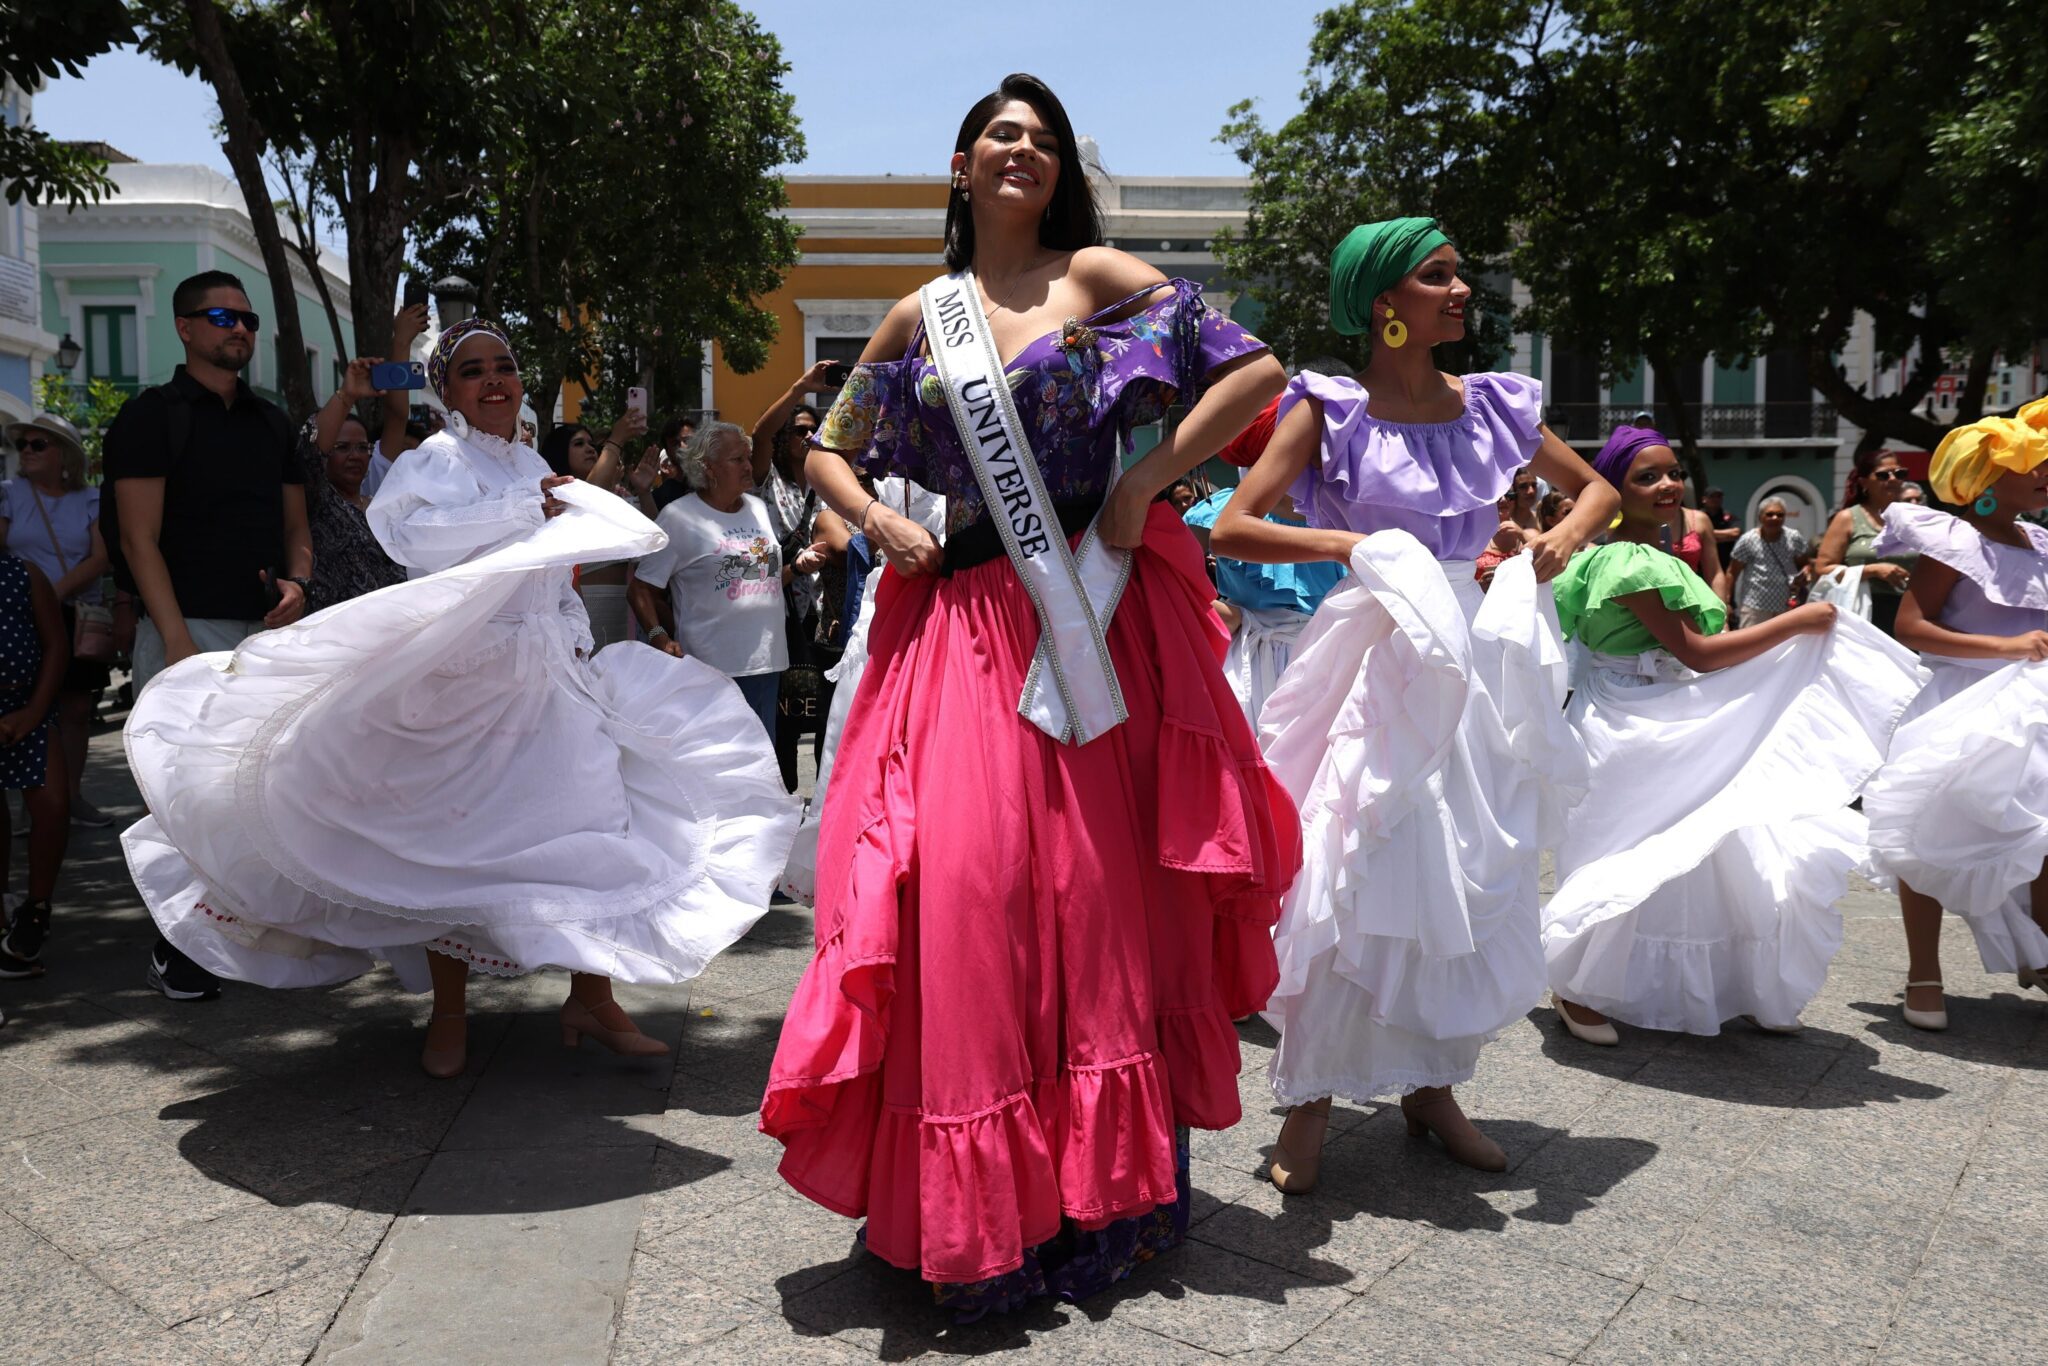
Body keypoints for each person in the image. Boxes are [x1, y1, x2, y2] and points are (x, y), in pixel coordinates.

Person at [760, 73, 1298, 1313]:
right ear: (961, 165)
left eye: (1043, 141)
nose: (1023, 152)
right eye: (1001, 136)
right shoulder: (922, 311)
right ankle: (970, 1206)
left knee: (1090, 899)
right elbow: (826, 440)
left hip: (1087, 618)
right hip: (958, 623)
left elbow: (1252, 372)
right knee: (967, 898)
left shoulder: (1096, 278)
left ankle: (1093, 1193)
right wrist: (872, 512)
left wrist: (1142, 480)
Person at [119, 318, 796, 1074]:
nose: (494, 379)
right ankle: (450, 1013)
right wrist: (521, 513)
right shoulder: (436, 459)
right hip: (464, 681)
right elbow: (411, 537)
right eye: (473, 370)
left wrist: (574, 634)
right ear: (448, 390)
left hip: (547, 678)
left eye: (504, 364)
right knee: (456, 840)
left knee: (591, 824)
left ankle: (593, 995)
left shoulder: (532, 460)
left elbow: (554, 571)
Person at [1211, 216, 1615, 1188]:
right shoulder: (1328, 408)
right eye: (1438, 275)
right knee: (1346, 864)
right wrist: (1349, 547)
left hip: (1475, 658)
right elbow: (1232, 526)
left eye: (1457, 272)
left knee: (1466, 873)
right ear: (1384, 300)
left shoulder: (1495, 408)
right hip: (1370, 653)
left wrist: (1550, 545)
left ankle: (1430, 1086)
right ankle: (1303, 1102)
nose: (1460, 290)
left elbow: (1595, 490)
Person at [1542, 429, 1923, 1044]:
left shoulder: (1637, 557)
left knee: (1712, 849)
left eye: (1671, 473)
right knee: (1618, 850)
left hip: (1657, 711)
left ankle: (1730, 983)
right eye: (1647, 477)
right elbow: (1698, 654)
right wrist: (1798, 622)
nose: (1667, 485)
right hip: (1630, 720)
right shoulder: (1625, 560)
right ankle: (1576, 983)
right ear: (1614, 491)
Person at [100, 269, 312, 1003]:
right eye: (223, 316)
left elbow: (296, 529)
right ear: (185, 327)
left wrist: (300, 583)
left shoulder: (271, 422)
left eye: (248, 320)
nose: (240, 330)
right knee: (183, 796)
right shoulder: (150, 417)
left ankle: (237, 932)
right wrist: (175, 642)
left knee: (260, 790)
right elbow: (137, 538)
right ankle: (176, 945)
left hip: (265, 631)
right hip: (185, 626)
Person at [1863, 403, 2048, 1031]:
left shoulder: (2041, 543)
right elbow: (1912, 626)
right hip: (1960, 705)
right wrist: (2007, 649)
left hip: (2032, 708)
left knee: (2039, 831)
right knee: (1927, 832)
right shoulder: (1953, 541)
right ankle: (1924, 972)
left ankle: (2039, 949)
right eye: (2032, 465)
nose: (2045, 472)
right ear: (1990, 481)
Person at [1182, 401, 1344, 727]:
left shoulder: (1343, 514)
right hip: (1243, 665)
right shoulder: (1214, 514)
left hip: (1325, 663)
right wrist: (1230, 615)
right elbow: (1177, 589)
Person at [629, 423, 790, 738]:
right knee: (718, 769)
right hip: (711, 669)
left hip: (767, 662)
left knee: (761, 765)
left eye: (748, 458)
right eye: (737, 460)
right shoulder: (680, 517)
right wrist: (659, 636)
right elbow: (640, 588)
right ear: (708, 468)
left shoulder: (758, 508)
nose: (748, 467)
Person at [1, 413, 113, 827]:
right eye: (22, 445)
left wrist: (52, 595)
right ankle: (36, 803)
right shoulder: (9, 494)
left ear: (63, 454)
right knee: (26, 705)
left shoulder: (90, 499)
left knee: (75, 710)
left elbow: (101, 557)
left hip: (75, 614)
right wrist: (34, 599)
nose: (26, 451)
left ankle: (71, 797)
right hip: (19, 618)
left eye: (37, 444)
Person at [0, 551, 70, 979]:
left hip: (30, 707)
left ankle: (36, 908)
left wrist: (33, 711)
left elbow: (56, 644)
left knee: (53, 805)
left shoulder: (22, 573)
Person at [539, 414, 657, 649]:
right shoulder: (557, 500)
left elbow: (656, 541)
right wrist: (616, 439)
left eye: (592, 444)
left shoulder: (616, 500)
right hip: (581, 608)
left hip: (620, 611)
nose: (590, 449)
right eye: (579, 444)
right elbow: (588, 495)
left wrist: (644, 492)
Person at [300, 363, 405, 611]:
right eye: (343, 448)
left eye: (362, 448)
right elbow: (308, 450)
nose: (355, 456)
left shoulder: (383, 508)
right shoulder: (317, 502)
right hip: (335, 632)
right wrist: (346, 396)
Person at [1814, 448, 1917, 635]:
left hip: (1912, 613)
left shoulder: (1916, 518)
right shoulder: (1848, 518)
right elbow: (1823, 568)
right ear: (1863, 483)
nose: (1893, 479)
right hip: (1865, 612)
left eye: (1899, 473)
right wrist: (1872, 571)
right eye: (1883, 475)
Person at [1726, 497, 1812, 626]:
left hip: (1786, 607)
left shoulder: (1794, 538)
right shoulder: (1748, 540)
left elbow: (1804, 564)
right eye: (1770, 514)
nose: (1775, 518)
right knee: (1752, 645)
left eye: (1780, 515)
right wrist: (1727, 602)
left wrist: (1806, 572)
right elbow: (1732, 572)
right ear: (1760, 517)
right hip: (1755, 608)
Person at [1700, 485, 1740, 550]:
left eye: (1719, 497)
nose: (1716, 499)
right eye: (1712, 496)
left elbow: (1736, 533)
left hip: (1725, 558)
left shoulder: (1728, 515)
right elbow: (1695, 534)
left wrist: (1707, 535)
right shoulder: (1698, 515)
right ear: (1704, 499)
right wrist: (1725, 536)